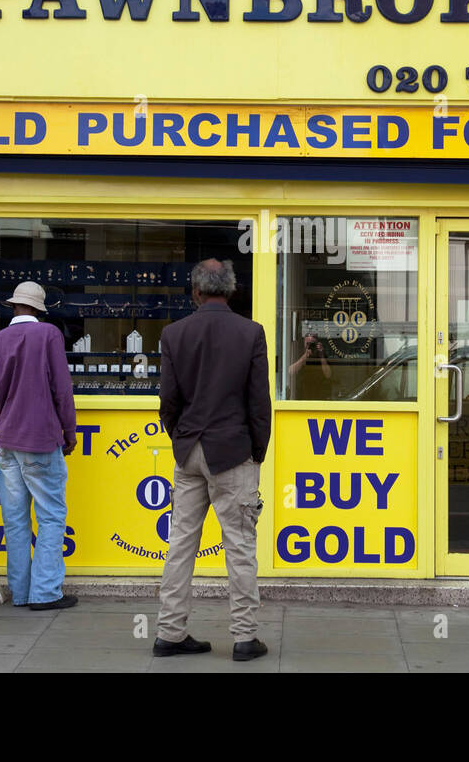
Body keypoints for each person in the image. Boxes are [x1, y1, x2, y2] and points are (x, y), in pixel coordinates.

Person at [153, 259, 272, 662]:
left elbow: (167, 399)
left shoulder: (174, 334)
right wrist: (257, 451)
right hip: (233, 450)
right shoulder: (251, 333)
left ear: (196, 292)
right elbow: (259, 403)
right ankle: (243, 637)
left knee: (181, 542)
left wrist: (180, 435)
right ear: (231, 290)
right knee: (239, 544)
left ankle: (170, 631)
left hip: (189, 451)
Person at [0, 280, 80, 611]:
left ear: (14, 307)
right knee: (51, 515)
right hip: (40, 439)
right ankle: (45, 592)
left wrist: (4, 416)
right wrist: (69, 430)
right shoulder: (49, 335)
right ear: (39, 309)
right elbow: (62, 389)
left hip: (7, 440)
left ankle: (21, 592)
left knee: (15, 519)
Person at [288, 332, 332, 399]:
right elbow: (290, 371)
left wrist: (322, 356)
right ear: (303, 344)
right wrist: (304, 357)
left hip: (320, 396)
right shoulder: (298, 354)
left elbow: (328, 375)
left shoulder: (322, 356)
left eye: (313, 344)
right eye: (308, 344)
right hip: (302, 396)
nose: (310, 346)